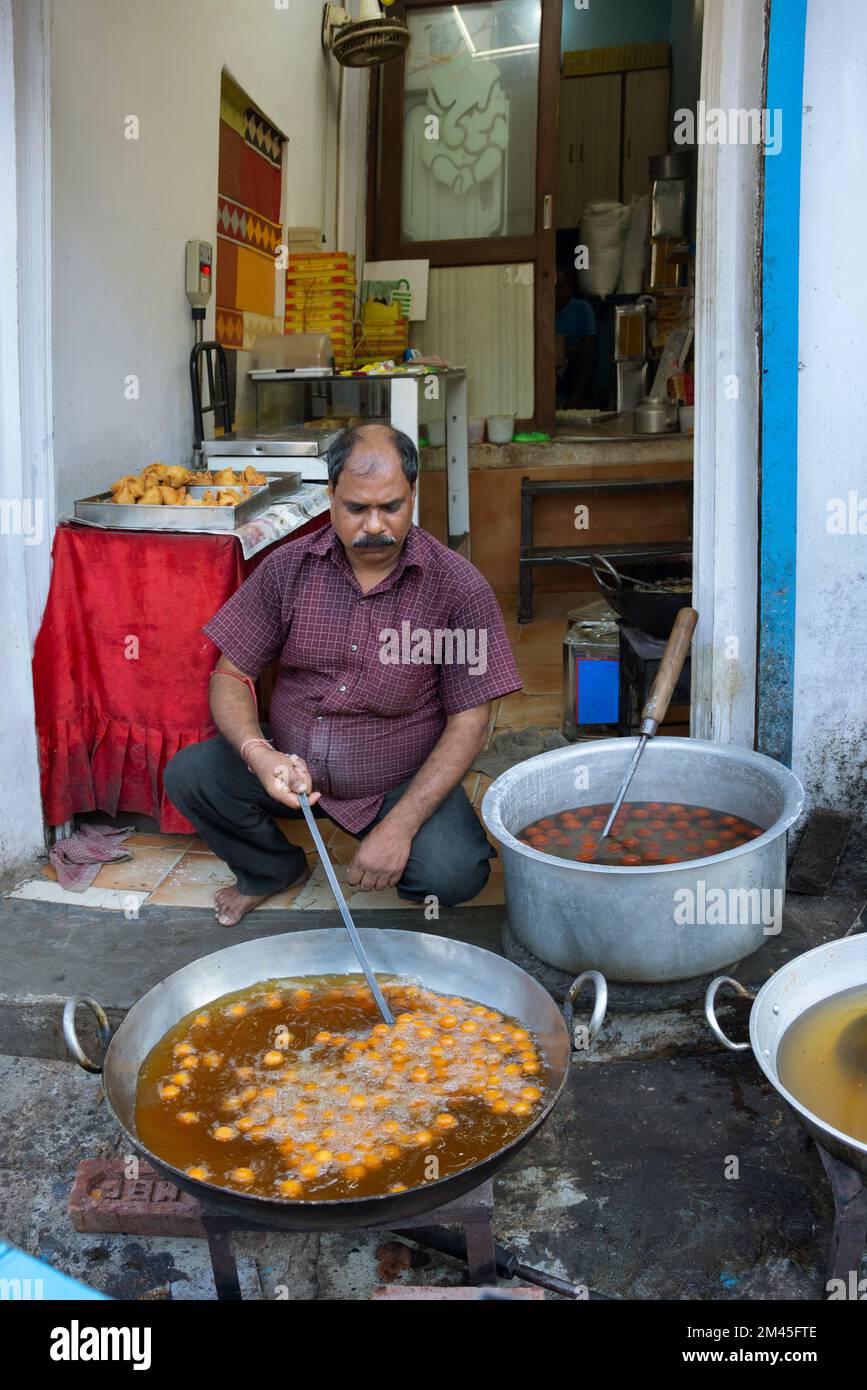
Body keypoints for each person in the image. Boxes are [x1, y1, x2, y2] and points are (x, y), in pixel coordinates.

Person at [164, 423, 522, 927]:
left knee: (454, 875)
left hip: (396, 782)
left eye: (392, 506)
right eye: (356, 508)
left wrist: (400, 826)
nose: (374, 525)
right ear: (330, 496)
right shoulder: (288, 568)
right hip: (292, 771)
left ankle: (398, 835)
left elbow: (470, 722)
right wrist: (259, 755)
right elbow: (231, 674)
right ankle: (269, 871)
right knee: (191, 775)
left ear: (414, 494)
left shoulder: (457, 587)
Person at [555, 264, 596, 407]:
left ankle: (574, 400)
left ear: (569, 288)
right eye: (553, 288)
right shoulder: (543, 309)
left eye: (559, 287)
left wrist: (562, 351)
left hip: (572, 366)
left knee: (586, 354)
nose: (555, 293)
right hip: (550, 366)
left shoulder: (582, 308)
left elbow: (589, 343)